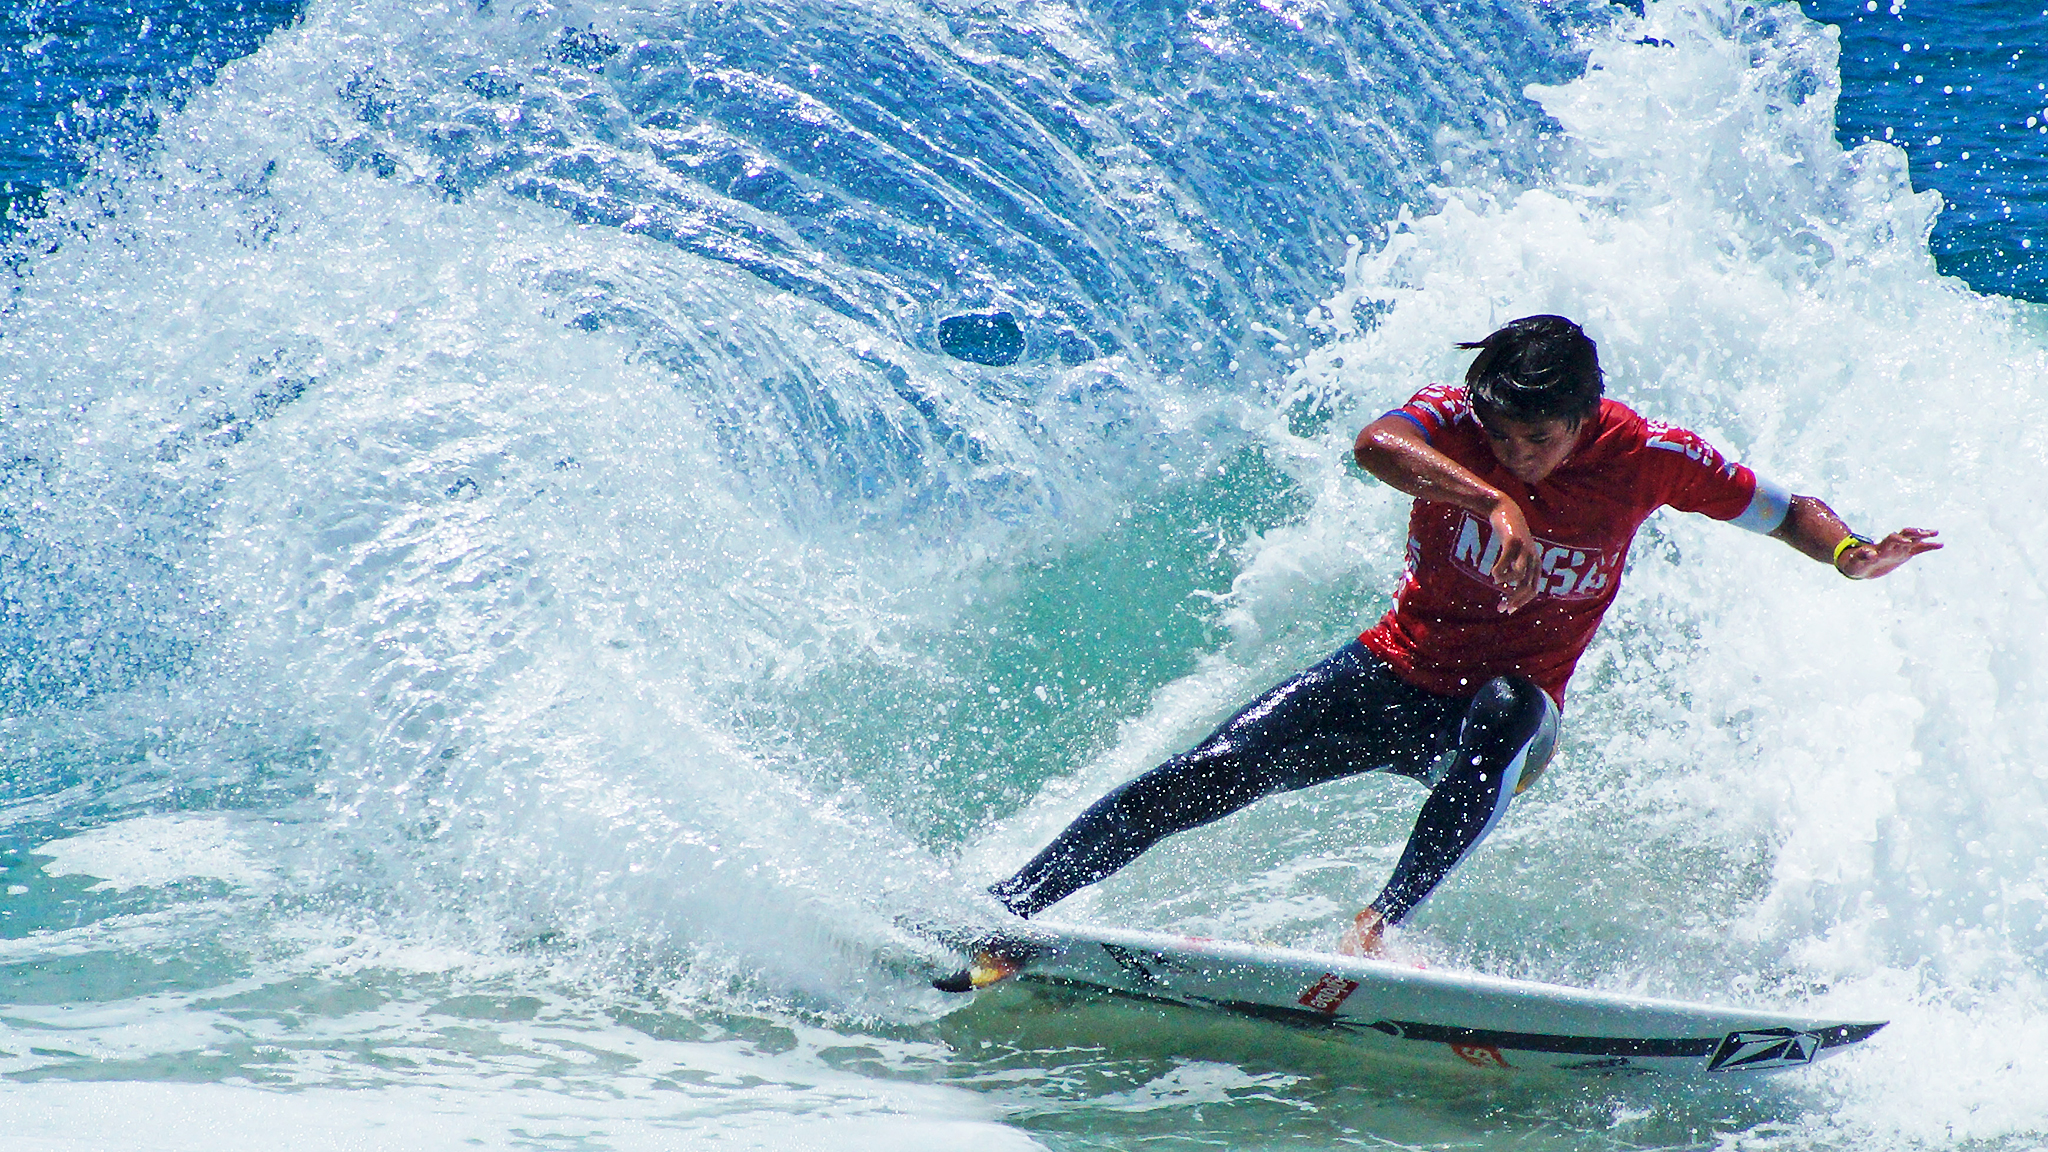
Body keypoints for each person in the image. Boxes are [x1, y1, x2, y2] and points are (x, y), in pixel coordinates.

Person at [971, 314, 1939, 982]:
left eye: (1536, 439)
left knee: (1510, 710)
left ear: (1584, 416)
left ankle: (1377, 931)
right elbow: (1372, 445)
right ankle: (1003, 911)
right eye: (1500, 433)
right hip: (1390, 672)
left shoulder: (1647, 457)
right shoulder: (1452, 423)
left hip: (1506, 714)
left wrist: (1850, 553)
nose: (1514, 450)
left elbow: (1783, 511)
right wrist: (1489, 496)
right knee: (1211, 771)